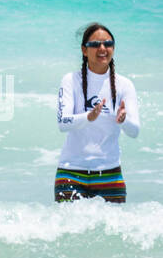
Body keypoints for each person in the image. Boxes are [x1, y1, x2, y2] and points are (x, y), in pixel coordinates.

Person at [55, 23, 140, 203]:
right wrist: (88, 117)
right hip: (71, 172)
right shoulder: (71, 80)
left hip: (110, 173)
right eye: (95, 45)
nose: (102, 48)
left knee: (111, 231)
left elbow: (134, 131)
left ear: (113, 48)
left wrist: (123, 120)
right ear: (84, 50)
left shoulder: (124, 85)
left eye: (108, 44)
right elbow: (63, 123)